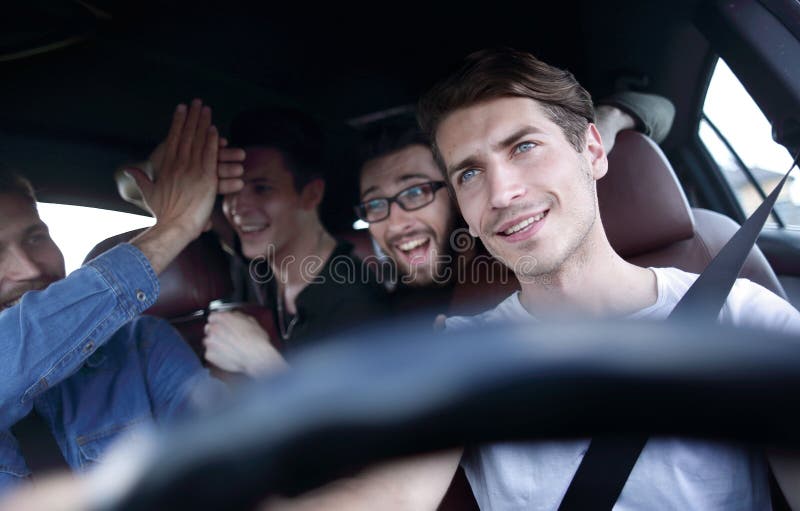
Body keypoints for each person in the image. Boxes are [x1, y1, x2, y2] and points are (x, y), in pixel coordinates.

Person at [0, 99, 243, 493]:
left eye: (36, 237)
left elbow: (228, 466)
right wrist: (175, 227)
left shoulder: (141, 346)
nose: (29, 268)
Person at [355, 90, 674, 319]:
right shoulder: (377, 317)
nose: (395, 223)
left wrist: (595, 131)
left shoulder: (541, 248)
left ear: (459, 200)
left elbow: (661, 106)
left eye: (415, 193)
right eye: (375, 204)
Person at [201, 107, 391, 377]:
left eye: (262, 188)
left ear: (311, 194)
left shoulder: (357, 305)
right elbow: (165, 200)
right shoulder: (261, 260)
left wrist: (258, 359)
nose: (236, 208)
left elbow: (352, 416)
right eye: (231, 190)